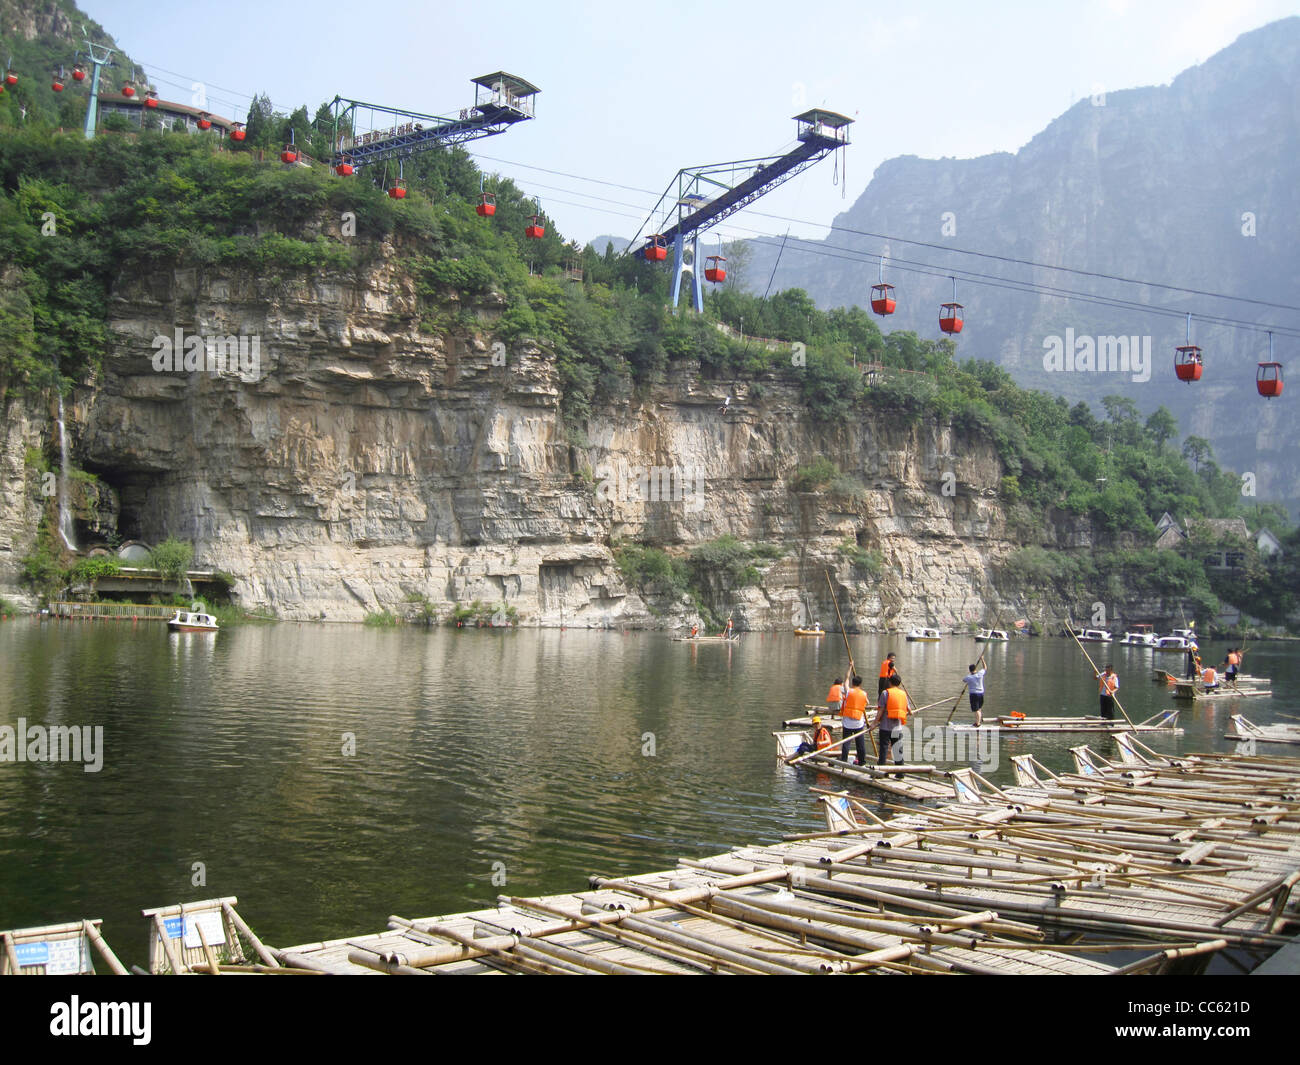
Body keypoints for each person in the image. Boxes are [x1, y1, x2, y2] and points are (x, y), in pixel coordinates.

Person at [875, 675, 909, 773]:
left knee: (883, 750)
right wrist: (909, 712)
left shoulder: (885, 693)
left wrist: (874, 723)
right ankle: (900, 774)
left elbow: (880, 710)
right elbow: (908, 709)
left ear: (890, 682)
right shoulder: (903, 694)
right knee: (898, 751)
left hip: (885, 727)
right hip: (897, 728)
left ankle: (880, 772)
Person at [838, 675, 869, 766]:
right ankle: (862, 762)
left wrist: (850, 667)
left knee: (846, 743)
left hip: (848, 723)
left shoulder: (848, 691)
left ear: (853, 683)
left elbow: (846, 680)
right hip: (858, 723)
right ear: (860, 684)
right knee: (860, 744)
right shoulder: (864, 693)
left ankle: (844, 761)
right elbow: (867, 702)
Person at [961, 662, 987, 727]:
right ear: (975, 669)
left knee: (976, 709)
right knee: (979, 708)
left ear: (970, 670)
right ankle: (977, 722)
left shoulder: (969, 677)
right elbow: (985, 668)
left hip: (974, 695)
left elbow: (964, 680)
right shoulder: (980, 674)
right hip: (981, 694)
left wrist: (969, 676)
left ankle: (978, 723)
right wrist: (982, 660)